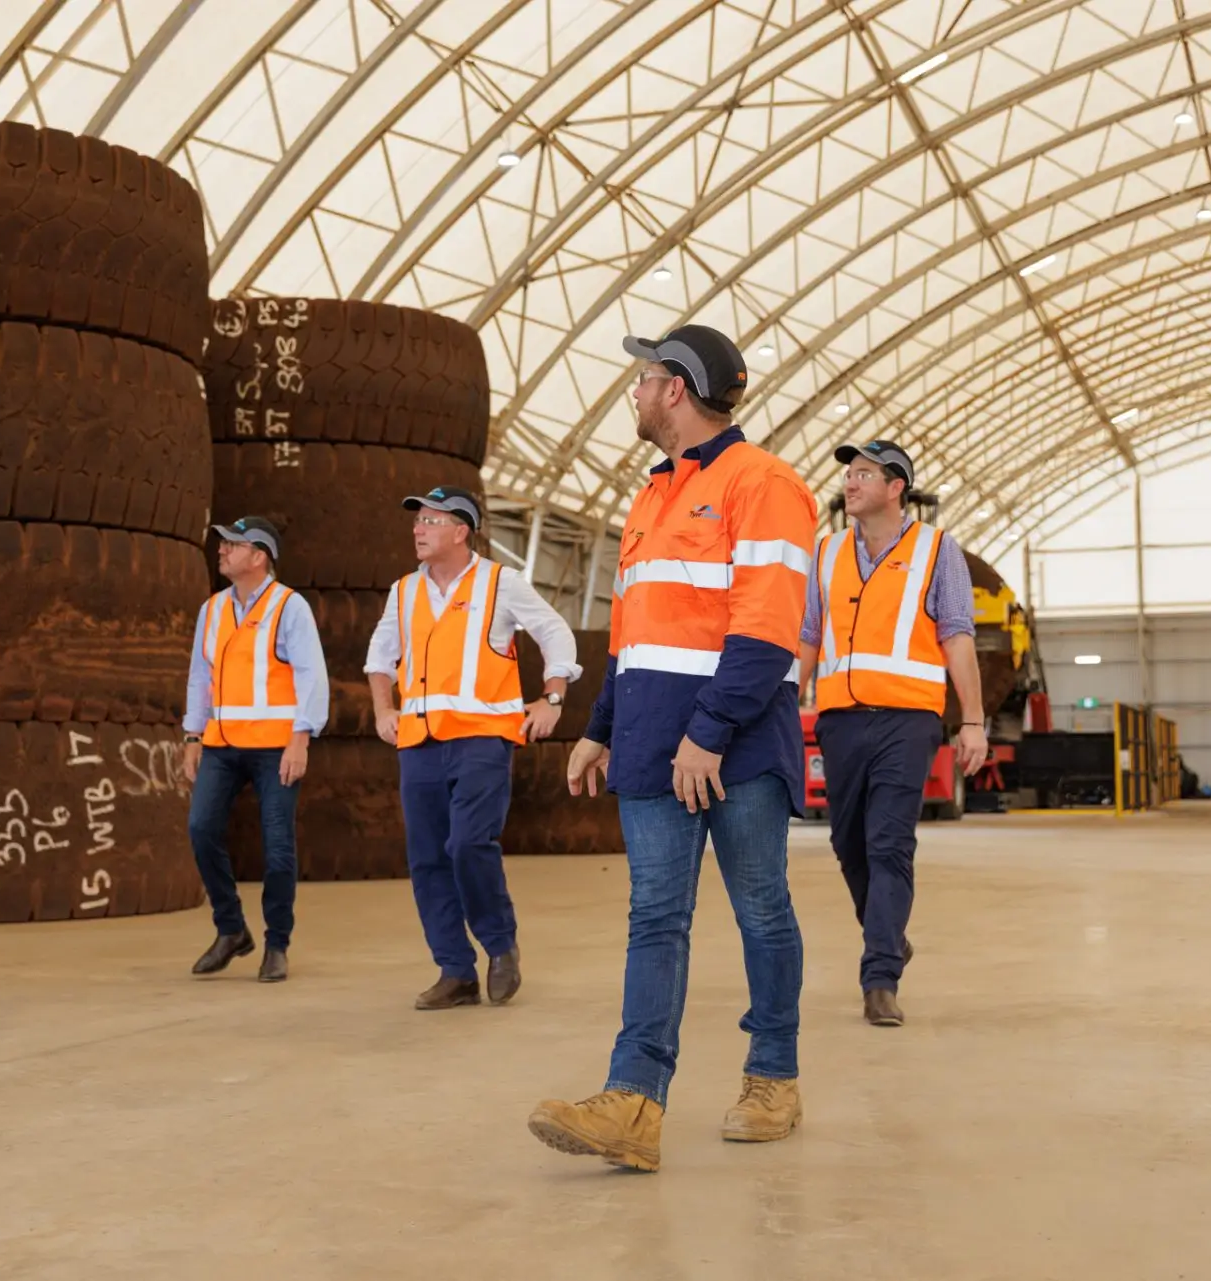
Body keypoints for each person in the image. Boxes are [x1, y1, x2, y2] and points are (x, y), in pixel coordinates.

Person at [527, 324, 817, 1173]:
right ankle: (634, 1103)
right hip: (655, 741)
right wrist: (600, 728)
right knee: (655, 915)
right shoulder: (653, 493)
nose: (635, 393)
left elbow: (766, 632)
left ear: (678, 390)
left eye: (645, 379)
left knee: (761, 907)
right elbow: (633, 634)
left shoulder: (764, 484)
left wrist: (708, 733)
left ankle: (773, 1076)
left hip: (736, 740)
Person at [364, 486, 581, 1010]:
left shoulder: (500, 583)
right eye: (417, 520)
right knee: (427, 859)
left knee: (467, 845)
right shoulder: (403, 592)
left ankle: (500, 946)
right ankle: (455, 971)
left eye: (432, 521)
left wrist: (552, 698)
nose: (418, 529)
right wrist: (383, 710)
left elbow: (554, 632)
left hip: (483, 738)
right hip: (418, 741)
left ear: (462, 531)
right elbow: (379, 656)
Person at [798, 440, 987, 1027]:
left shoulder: (937, 551)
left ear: (895, 486)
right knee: (847, 843)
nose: (850, 483)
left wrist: (973, 721)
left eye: (863, 474)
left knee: (888, 844)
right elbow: (808, 635)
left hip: (909, 721)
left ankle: (880, 976)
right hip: (840, 720)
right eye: (849, 474)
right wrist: (781, 703)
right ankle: (888, 932)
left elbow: (957, 636)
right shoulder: (825, 552)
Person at [182, 516, 329, 983]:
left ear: (259, 556)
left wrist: (301, 737)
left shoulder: (289, 607)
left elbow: (311, 674)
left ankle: (277, 943)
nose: (221, 550)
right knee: (201, 829)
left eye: (232, 544)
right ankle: (231, 930)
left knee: (279, 848)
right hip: (222, 745)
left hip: (275, 748)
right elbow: (199, 678)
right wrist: (192, 735)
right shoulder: (213, 610)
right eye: (222, 544)